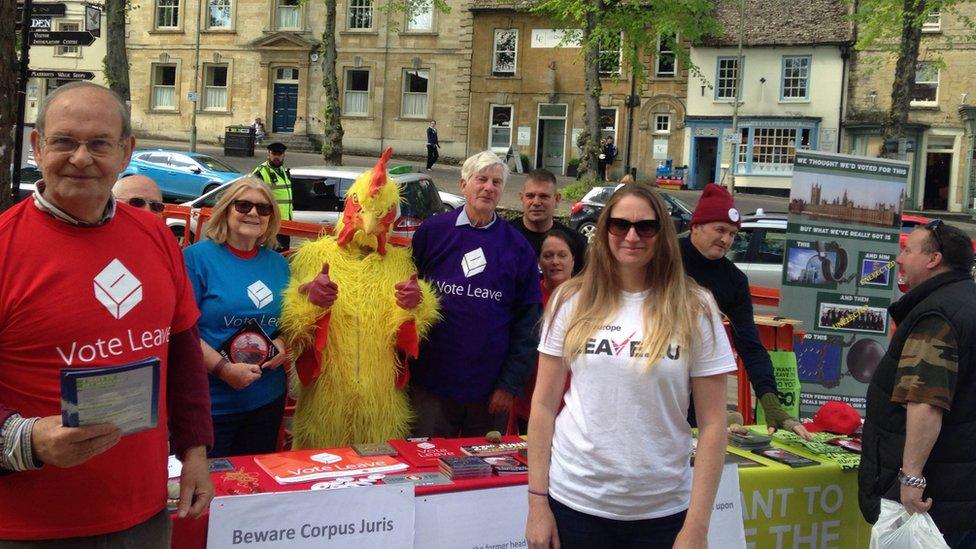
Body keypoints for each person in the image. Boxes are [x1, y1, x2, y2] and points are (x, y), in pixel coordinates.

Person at [0, 81, 213, 544]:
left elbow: (181, 353)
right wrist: (24, 440)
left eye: (99, 143)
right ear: (37, 147)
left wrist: (196, 452)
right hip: (28, 524)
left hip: (142, 512)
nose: (81, 158)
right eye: (63, 141)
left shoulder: (156, 237)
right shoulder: (4, 246)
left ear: (125, 152)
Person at [526, 184, 735, 548]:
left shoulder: (695, 307)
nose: (632, 236)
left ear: (663, 233)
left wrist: (697, 526)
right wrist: (536, 503)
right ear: (605, 230)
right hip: (575, 502)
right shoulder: (570, 300)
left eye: (646, 227)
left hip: (662, 510)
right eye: (620, 225)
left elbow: (715, 425)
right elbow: (543, 407)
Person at [280, 149, 439, 448]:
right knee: (320, 475)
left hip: (378, 401)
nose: (368, 223)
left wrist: (416, 305)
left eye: (379, 215)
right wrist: (309, 300)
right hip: (327, 400)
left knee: (379, 480)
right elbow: (293, 330)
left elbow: (412, 333)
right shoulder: (315, 254)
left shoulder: (400, 262)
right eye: (364, 210)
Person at [859, 220, 976, 546]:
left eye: (908, 250)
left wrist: (911, 478)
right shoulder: (967, 302)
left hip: (935, 499)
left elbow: (925, 401)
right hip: (963, 493)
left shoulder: (937, 315)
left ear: (933, 259)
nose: (899, 259)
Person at [410, 150, 542, 437]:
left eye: (496, 182)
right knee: (426, 466)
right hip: (431, 384)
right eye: (481, 179)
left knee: (483, 472)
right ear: (463, 185)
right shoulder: (432, 232)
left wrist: (509, 384)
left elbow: (528, 322)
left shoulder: (517, 247)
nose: (488, 187)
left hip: (489, 391)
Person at [680, 183, 809, 439]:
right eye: (720, 230)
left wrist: (770, 402)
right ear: (696, 226)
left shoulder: (733, 280)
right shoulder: (664, 257)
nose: (726, 239)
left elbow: (750, 345)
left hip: (697, 382)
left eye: (732, 234)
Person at [183, 178, 290, 457]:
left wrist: (283, 342)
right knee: (210, 489)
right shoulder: (196, 259)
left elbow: (289, 321)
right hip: (213, 403)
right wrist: (223, 370)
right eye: (243, 205)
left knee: (254, 486)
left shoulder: (278, 264)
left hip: (266, 398)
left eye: (264, 209)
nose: (253, 213)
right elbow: (182, 330)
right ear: (225, 211)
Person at [509, 229, 577, 433]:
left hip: (573, 404)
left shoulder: (588, 300)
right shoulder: (528, 297)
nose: (555, 261)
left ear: (574, 259)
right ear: (538, 262)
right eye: (548, 256)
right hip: (529, 400)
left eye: (562, 255)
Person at [510, 168, 588, 275]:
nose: (536, 202)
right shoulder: (503, 237)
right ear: (521, 198)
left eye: (543, 196)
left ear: (557, 199)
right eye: (530, 196)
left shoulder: (577, 243)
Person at [252, 141, 293, 248]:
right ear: (268, 154)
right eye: (273, 154)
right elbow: (253, 197)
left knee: (282, 255)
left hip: (285, 223)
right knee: (270, 257)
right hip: (271, 223)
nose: (276, 157)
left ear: (283, 155)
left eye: (279, 154)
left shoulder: (283, 171)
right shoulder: (261, 172)